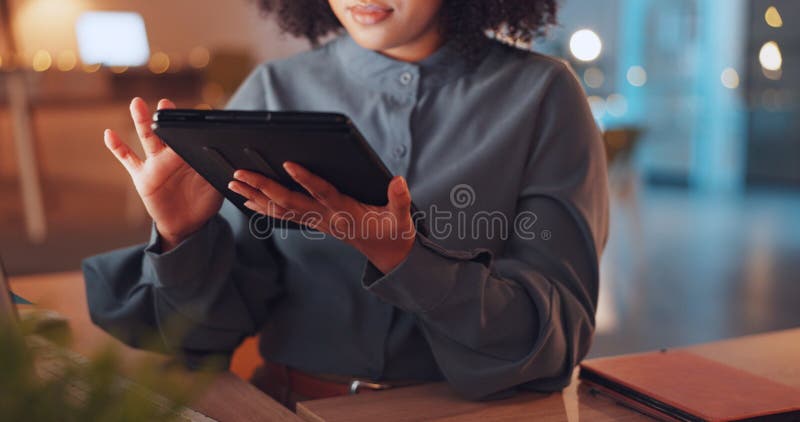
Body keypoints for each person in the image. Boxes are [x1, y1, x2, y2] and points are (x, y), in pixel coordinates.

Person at [83, 0, 609, 406]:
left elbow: (555, 339)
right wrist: (182, 236)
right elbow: (202, 338)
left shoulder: (543, 96)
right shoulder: (273, 89)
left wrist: (405, 259)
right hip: (284, 407)